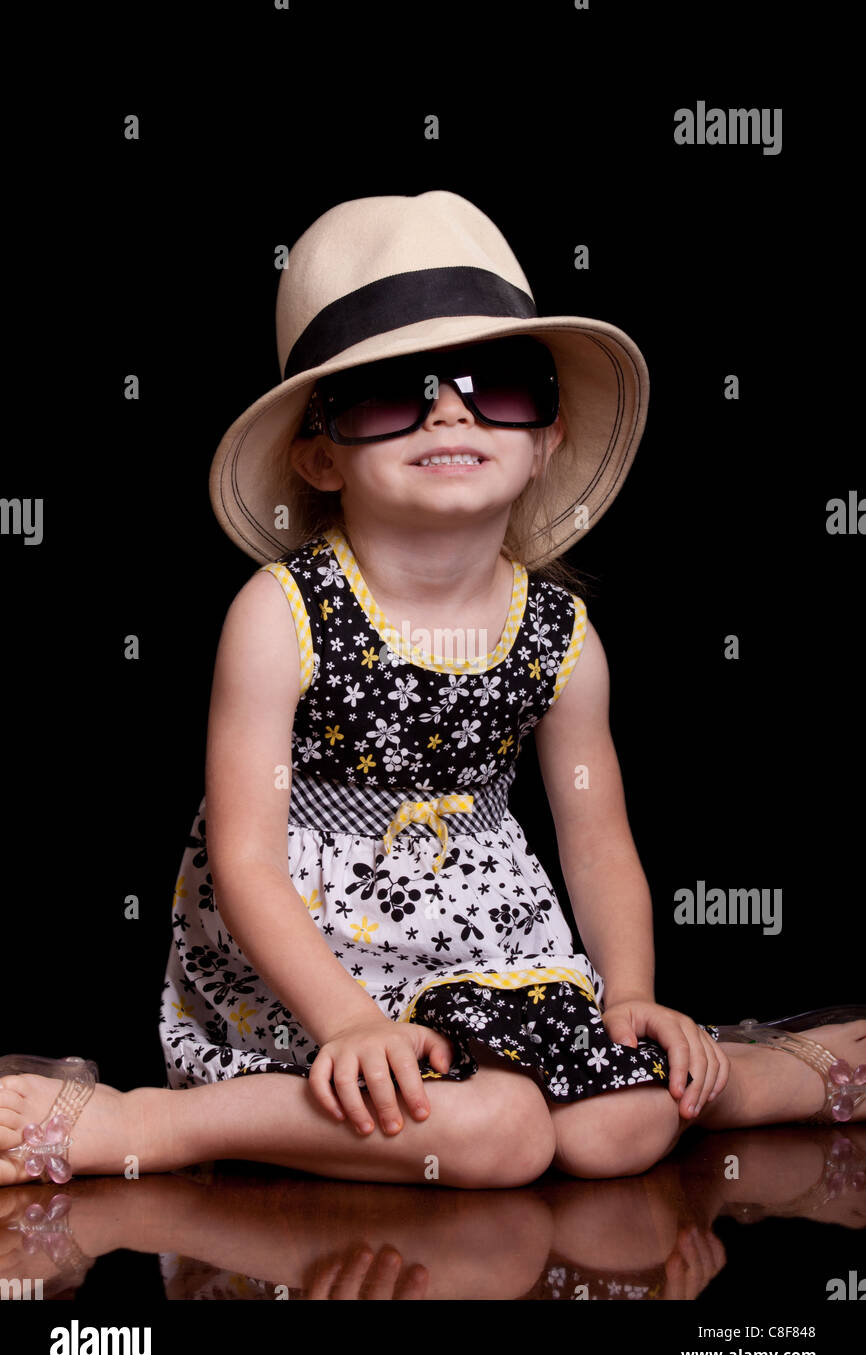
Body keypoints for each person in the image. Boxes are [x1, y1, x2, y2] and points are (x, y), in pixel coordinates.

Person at [2, 192, 864, 1193]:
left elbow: (595, 840)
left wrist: (627, 991)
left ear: (544, 438)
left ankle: (763, 1071)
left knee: (618, 1127)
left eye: (497, 384)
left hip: (491, 941)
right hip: (314, 957)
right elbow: (243, 856)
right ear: (321, 452)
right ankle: (160, 1123)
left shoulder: (559, 638)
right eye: (387, 391)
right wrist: (348, 1022)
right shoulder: (281, 615)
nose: (449, 409)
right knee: (497, 1134)